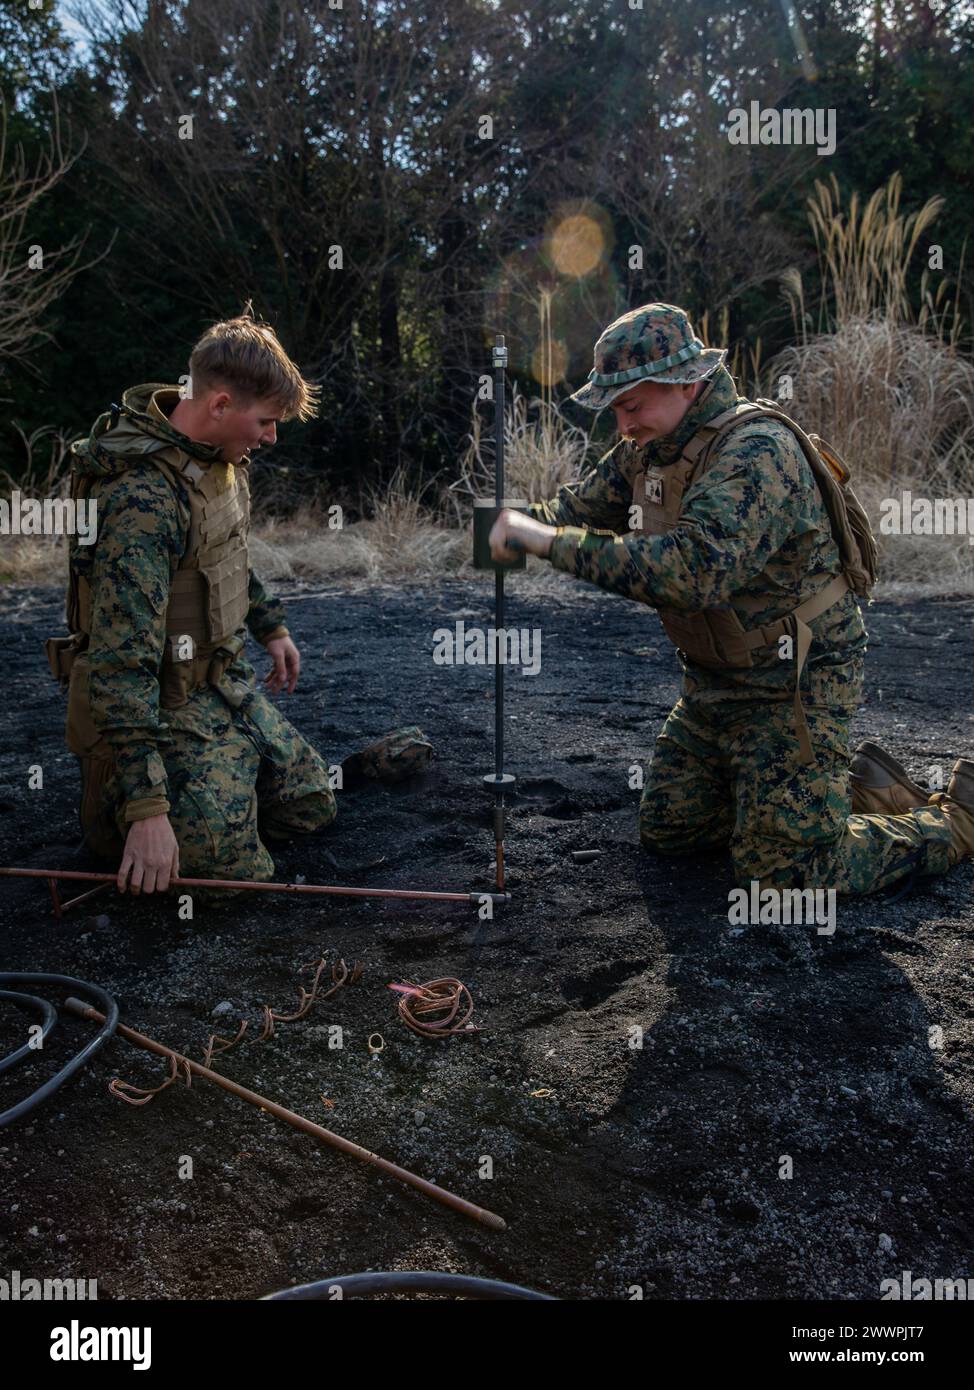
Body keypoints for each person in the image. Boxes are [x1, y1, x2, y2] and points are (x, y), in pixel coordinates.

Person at [488, 302, 974, 895]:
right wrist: (512, 523)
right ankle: (838, 791)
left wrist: (545, 542)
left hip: (793, 681)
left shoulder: (756, 452)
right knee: (673, 830)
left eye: (631, 405)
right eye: (615, 409)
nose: (623, 425)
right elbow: (577, 510)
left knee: (784, 878)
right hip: (715, 685)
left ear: (686, 383)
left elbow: (692, 573)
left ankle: (954, 818)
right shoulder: (652, 445)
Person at [52, 312, 339, 897]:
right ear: (220, 404)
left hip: (219, 686)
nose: (270, 437)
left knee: (310, 804)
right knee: (239, 878)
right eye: (264, 422)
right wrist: (149, 810)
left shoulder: (217, 464)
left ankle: (221, 781)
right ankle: (120, 817)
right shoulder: (142, 500)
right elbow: (119, 665)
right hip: (157, 706)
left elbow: (227, 555)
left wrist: (271, 626)